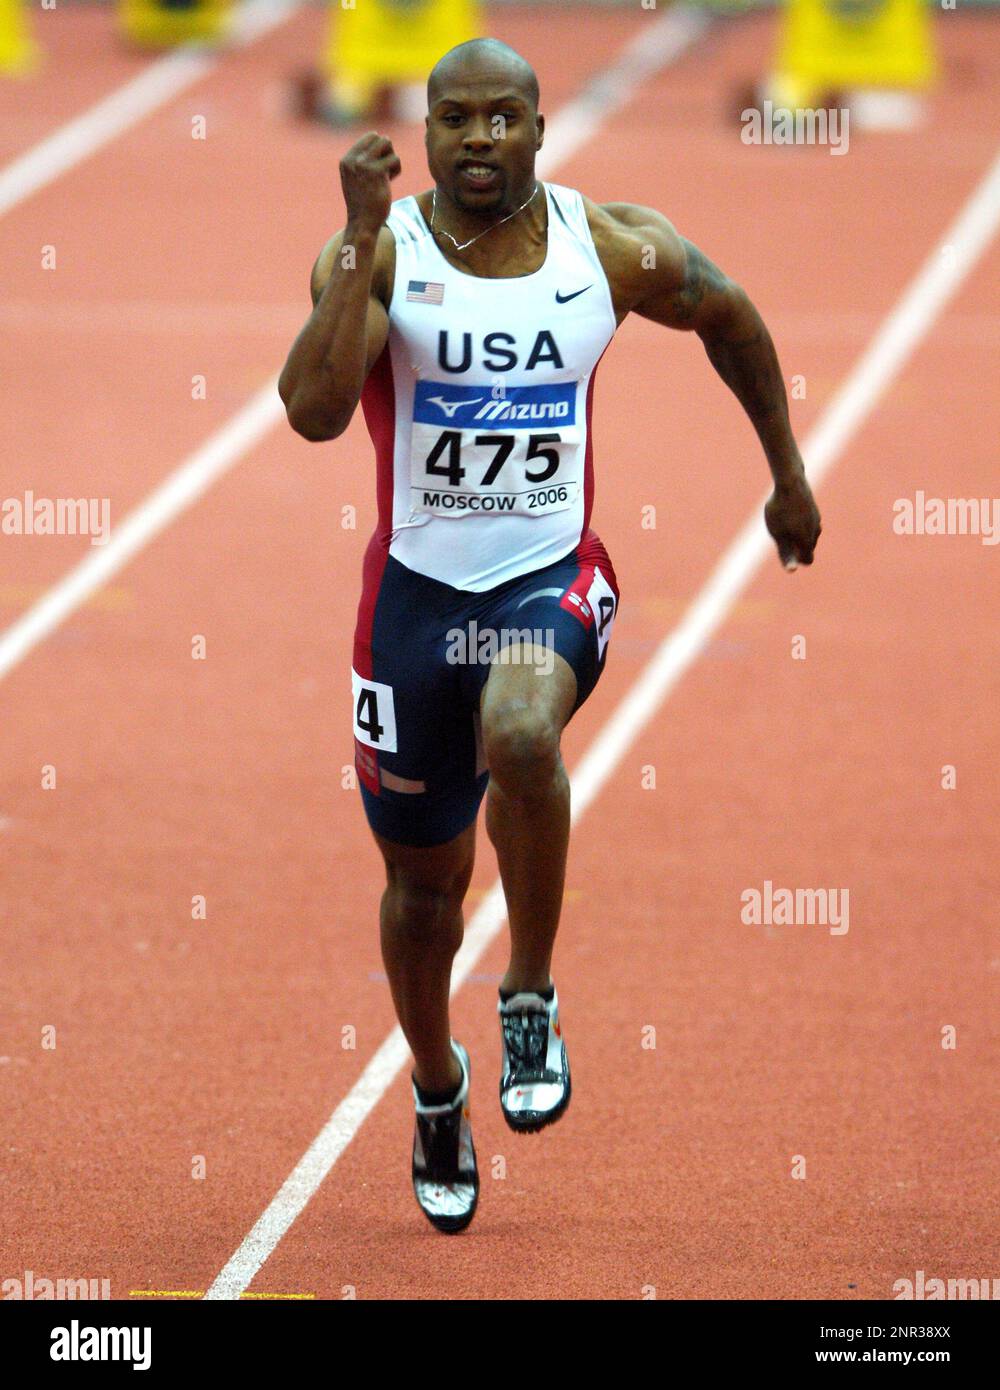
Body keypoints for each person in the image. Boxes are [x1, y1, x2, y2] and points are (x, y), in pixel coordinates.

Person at [278, 37, 821, 1235]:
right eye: (456, 119)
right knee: (422, 896)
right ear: (425, 132)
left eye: (503, 118)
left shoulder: (606, 245)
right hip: (413, 605)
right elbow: (315, 413)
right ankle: (436, 1089)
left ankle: (527, 988)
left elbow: (729, 315)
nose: (480, 139)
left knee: (522, 730)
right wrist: (362, 235)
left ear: (537, 128)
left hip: (549, 577)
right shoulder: (382, 255)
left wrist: (786, 474)